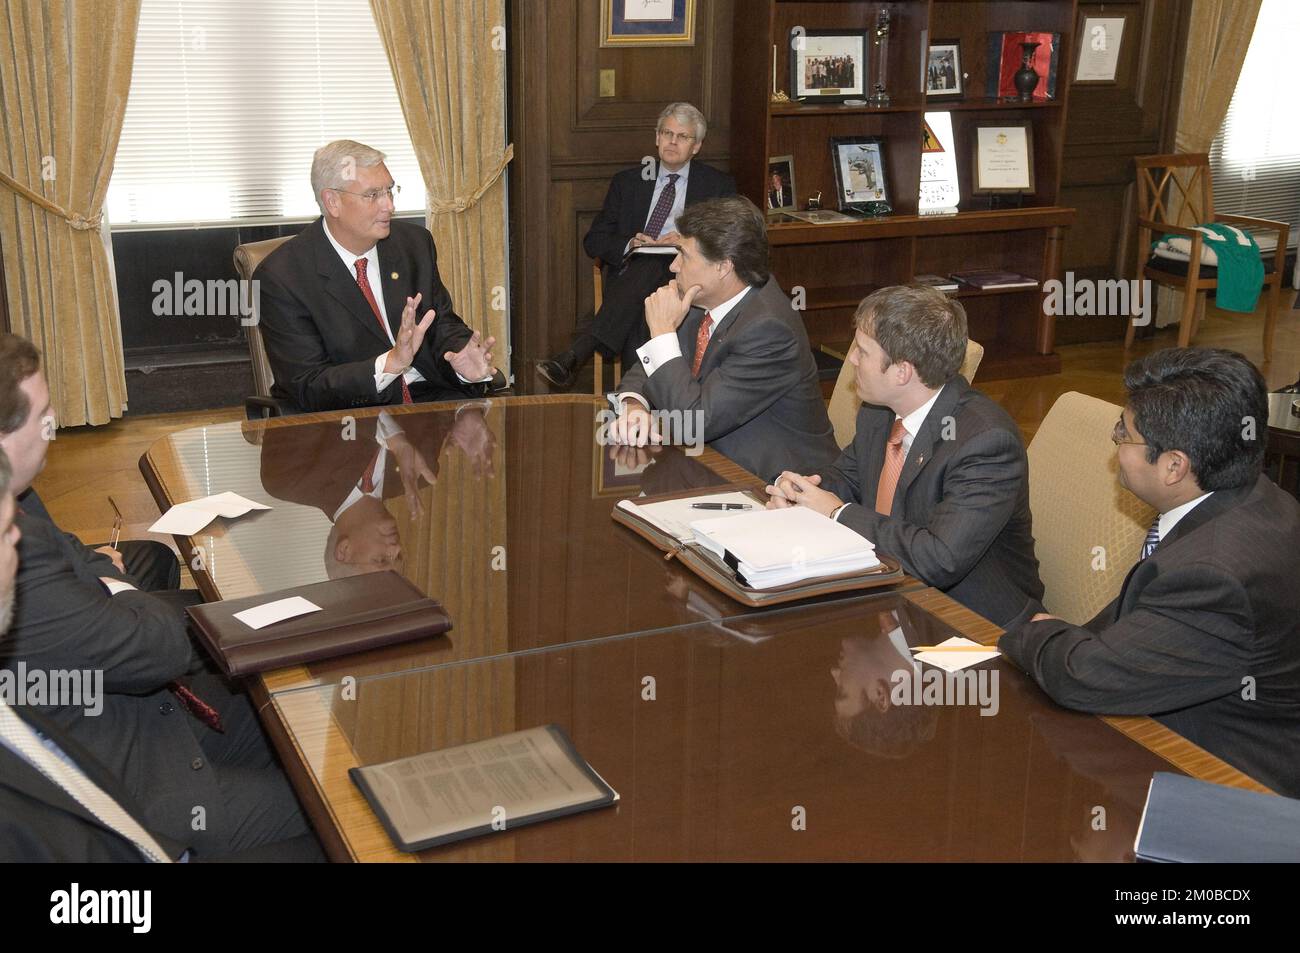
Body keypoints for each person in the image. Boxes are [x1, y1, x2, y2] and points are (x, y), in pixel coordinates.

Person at [0, 334, 314, 855]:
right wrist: (118, 589)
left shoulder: (18, 500)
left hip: (127, 707)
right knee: (335, 802)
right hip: (141, 785)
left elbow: (82, 553)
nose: (54, 429)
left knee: (295, 713)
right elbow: (159, 650)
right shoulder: (19, 550)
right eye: (45, 416)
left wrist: (106, 583)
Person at [999, 347, 1300, 798]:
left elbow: (1086, 677)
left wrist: (1032, 632)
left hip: (1219, 782)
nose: (1116, 443)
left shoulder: (1213, 575)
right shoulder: (1260, 496)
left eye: (1125, 434)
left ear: (1174, 465)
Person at [766, 285, 1043, 626]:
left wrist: (836, 512)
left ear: (902, 372)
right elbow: (849, 478)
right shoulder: (879, 411)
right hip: (890, 590)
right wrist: (801, 493)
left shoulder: (985, 443)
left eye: (862, 351)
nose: (850, 359)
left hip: (968, 622)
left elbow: (940, 559)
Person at [605, 196, 838, 482]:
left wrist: (662, 332)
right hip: (709, 464)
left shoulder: (769, 330)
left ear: (723, 267)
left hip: (777, 488)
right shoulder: (704, 298)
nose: (673, 266)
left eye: (684, 255)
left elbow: (693, 423)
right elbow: (653, 365)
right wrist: (633, 406)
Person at [256, 139, 496, 413]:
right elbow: (308, 385)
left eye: (390, 191)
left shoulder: (413, 245)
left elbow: (440, 323)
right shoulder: (282, 277)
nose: (389, 206)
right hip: (349, 421)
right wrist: (390, 363)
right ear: (332, 201)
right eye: (373, 195)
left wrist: (462, 361)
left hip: (431, 403)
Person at [537, 103, 735, 389]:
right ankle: (642, 402)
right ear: (656, 138)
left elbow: (727, 240)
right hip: (634, 276)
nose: (672, 141)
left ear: (697, 146)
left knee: (652, 275)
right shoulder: (627, 182)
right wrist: (631, 242)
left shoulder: (716, 185)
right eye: (667, 132)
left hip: (685, 277)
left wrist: (686, 241)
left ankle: (584, 356)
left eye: (683, 136)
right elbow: (594, 240)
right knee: (647, 279)